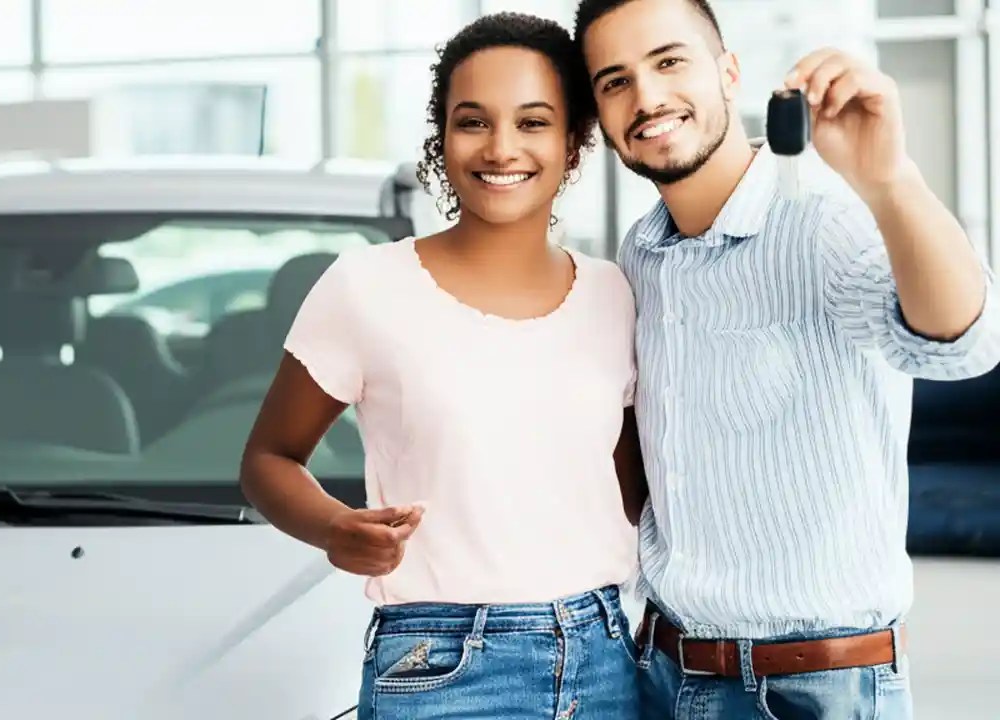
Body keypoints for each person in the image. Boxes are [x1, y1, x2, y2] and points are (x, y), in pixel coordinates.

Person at [572, 0, 1000, 717]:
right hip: (666, 672)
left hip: (814, 690)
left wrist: (890, 180)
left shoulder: (825, 219)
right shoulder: (642, 252)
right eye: (615, 81)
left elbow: (965, 343)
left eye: (669, 61)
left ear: (729, 73)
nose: (646, 97)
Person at [240, 12, 644, 720]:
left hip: (605, 657)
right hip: (441, 667)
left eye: (533, 121)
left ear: (574, 140)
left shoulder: (614, 293)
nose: (501, 147)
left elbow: (637, 493)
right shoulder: (366, 286)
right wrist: (335, 528)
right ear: (442, 136)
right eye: (473, 121)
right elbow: (267, 460)